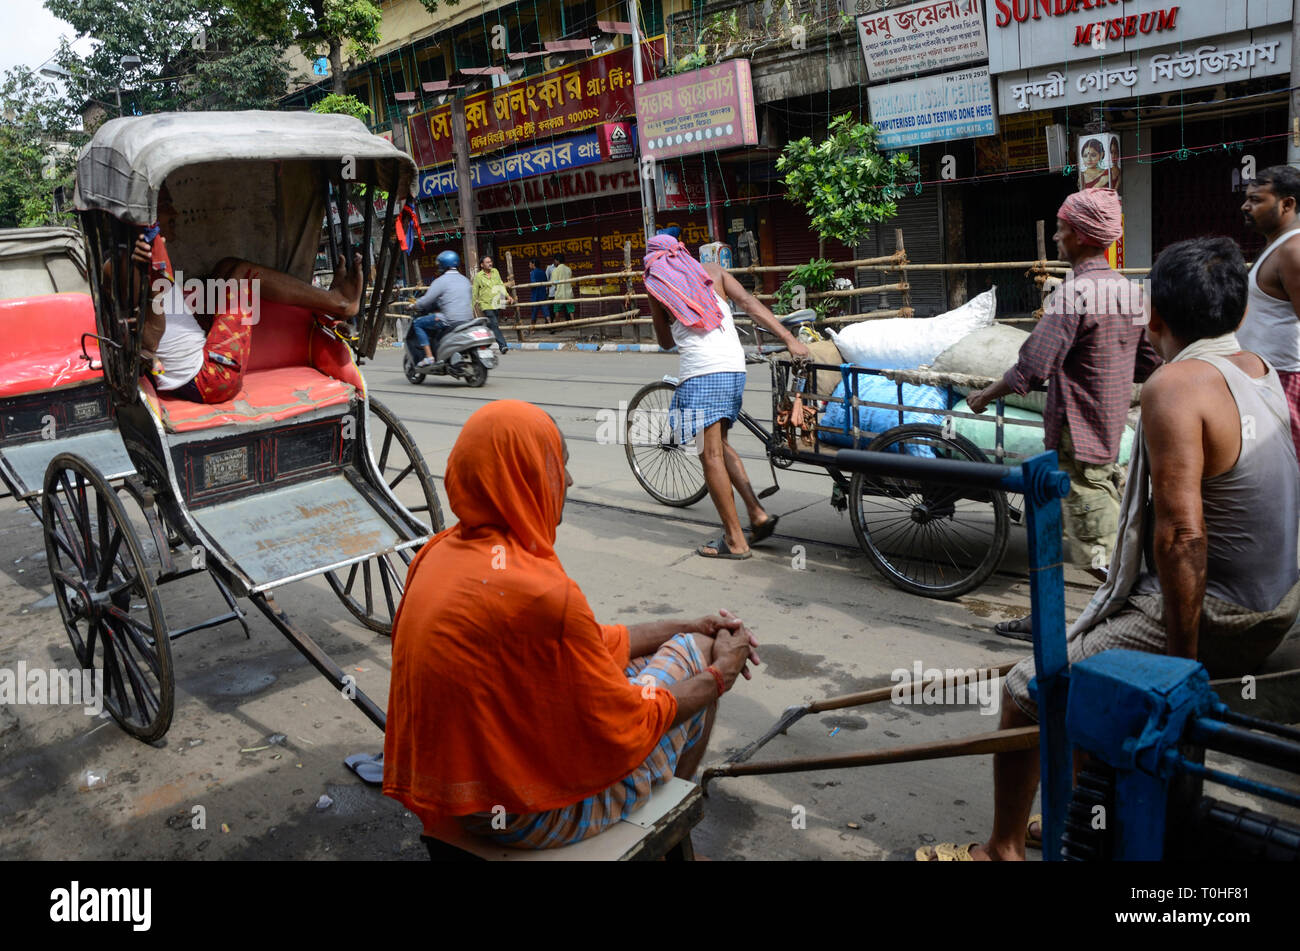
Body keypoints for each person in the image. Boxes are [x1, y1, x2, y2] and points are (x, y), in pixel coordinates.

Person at [918, 237, 1300, 861]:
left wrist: (1178, 666)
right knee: (1086, 677)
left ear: (1156, 320)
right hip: (1276, 599)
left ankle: (1000, 849)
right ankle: (1085, 812)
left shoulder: (1174, 386)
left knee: (1022, 689)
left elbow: (1182, 538)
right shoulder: (1259, 369)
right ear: (1240, 314)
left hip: (1222, 611)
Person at [383, 400, 760, 851]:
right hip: (528, 815)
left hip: (461, 795)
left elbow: (594, 645)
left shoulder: (437, 555)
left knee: (682, 642)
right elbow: (630, 726)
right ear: (526, 475)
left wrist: (687, 622)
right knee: (697, 653)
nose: (569, 481)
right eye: (559, 465)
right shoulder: (539, 589)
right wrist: (719, 675)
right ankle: (664, 830)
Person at [967, 189, 1162, 637]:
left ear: (1078, 235)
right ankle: (1045, 617)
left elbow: (1034, 367)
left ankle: (1150, 620)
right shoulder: (1129, 293)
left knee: (1097, 547)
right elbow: (1148, 362)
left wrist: (985, 395)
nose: (1055, 237)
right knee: (1054, 527)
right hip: (1109, 431)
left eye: (1060, 228)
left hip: (1078, 438)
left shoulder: (1072, 294)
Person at [644, 232, 811, 559]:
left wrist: (660, 305)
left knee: (710, 455)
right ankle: (756, 513)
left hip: (702, 373)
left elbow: (665, 342)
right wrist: (788, 338)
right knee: (719, 445)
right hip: (734, 368)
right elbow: (749, 304)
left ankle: (735, 540)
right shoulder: (713, 271)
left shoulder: (658, 284)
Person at [134, 184, 364, 403]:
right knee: (244, 275)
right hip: (210, 378)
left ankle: (326, 304)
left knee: (227, 267)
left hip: (194, 368)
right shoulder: (136, 265)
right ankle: (340, 303)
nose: (174, 212)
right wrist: (152, 280)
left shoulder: (151, 259)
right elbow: (149, 341)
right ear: (147, 217)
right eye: (165, 205)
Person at [1239, 164, 1300, 461]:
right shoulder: (1276, 247)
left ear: (1287, 204)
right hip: (1265, 381)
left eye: (1257, 200)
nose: (1246, 206)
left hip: (1286, 383)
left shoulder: (1293, 251)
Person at [410, 250, 474, 368]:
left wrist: (414, 305)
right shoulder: (465, 280)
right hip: (468, 320)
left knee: (417, 323)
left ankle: (429, 357)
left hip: (449, 319)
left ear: (442, 265)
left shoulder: (440, 281)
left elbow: (426, 300)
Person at [472, 254, 513, 354]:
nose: (490, 263)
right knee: (494, 324)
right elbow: (475, 292)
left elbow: (500, 285)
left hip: (497, 303)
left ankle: (483, 343)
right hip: (486, 304)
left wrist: (508, 296)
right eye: (487, 262)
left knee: (491, 325)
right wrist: (471, 306)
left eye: (490, 261)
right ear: (482, 265)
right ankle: (503, 346)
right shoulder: (478, 276)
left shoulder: (495, 272)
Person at [550, 253, 574, 322]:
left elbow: (554, 283)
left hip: (559, 294)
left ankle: (559, 325)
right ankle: (574, 324)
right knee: (571, 310)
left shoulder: (555, 270)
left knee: (557, 310)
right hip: (568, 293)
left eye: (555, 260)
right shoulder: (568, 269)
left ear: (557, 260)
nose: (554, 262)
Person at [527, 257, 551, 327]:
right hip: (543, 294)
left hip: (535, 295)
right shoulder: (543, 272)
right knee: (546, 311)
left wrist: (529, 286)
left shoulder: (532, 273)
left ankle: (532, 329)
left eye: (530, 263)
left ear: (533, 264)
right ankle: (550, 326)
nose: (529, 265)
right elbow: (546, 282)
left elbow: (533, 284)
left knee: (534, 312)